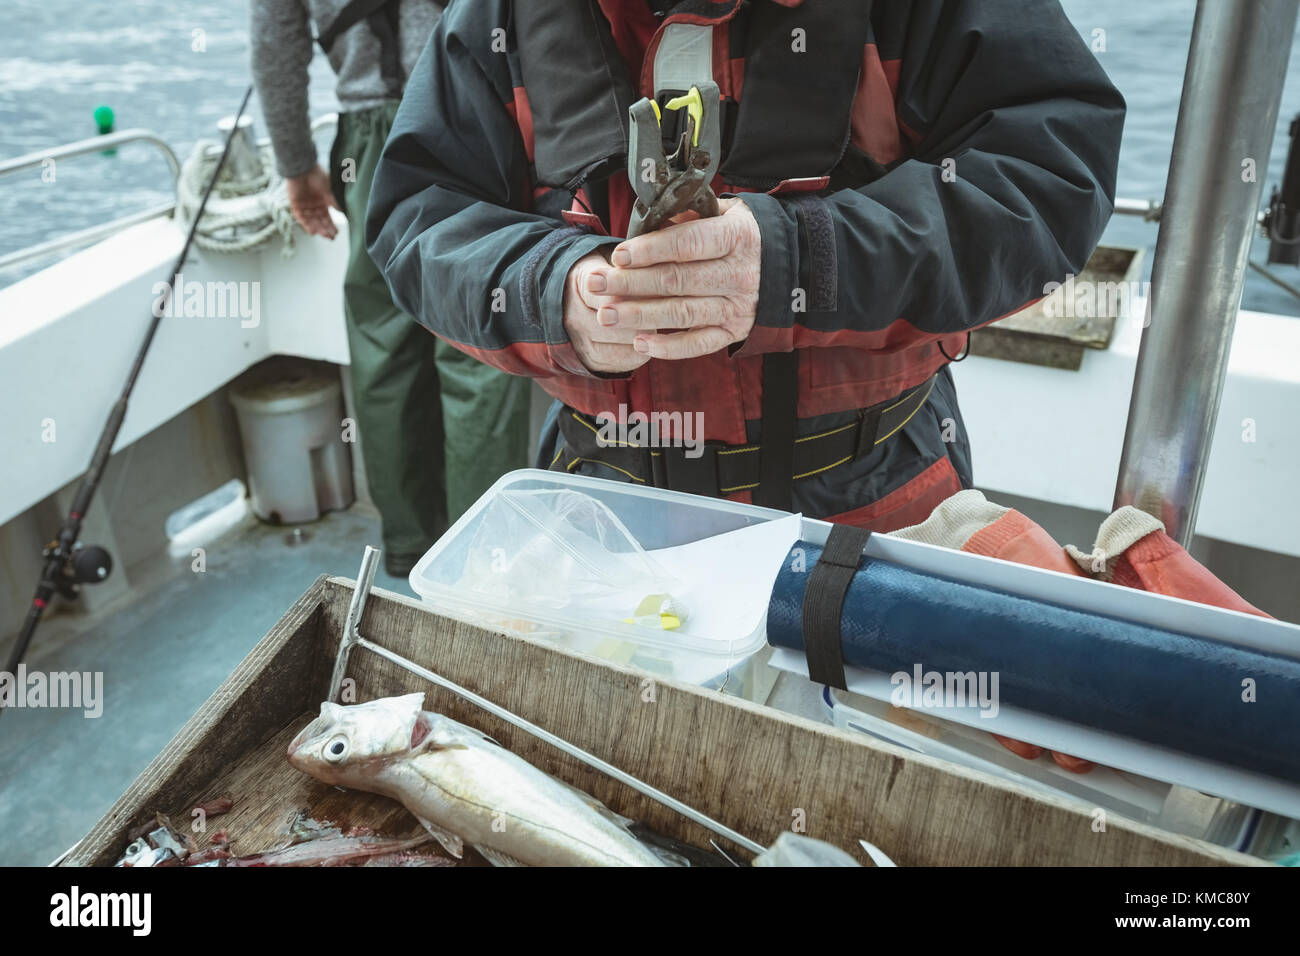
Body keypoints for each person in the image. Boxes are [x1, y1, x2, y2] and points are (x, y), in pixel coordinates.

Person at [365, 0, 1124, 532]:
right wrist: (550, 292)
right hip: (603, 503)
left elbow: (1050, 181)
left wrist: (802, 259)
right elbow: (416, 215)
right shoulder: (498, 16)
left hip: (881, 497)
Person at [251, 0, 531, 575]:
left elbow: (275, 45)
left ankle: (409, 545)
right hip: (472, 109)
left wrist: (296, 164)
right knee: (476, 339)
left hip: (369, 137)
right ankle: (482, 562)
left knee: (384, 342)